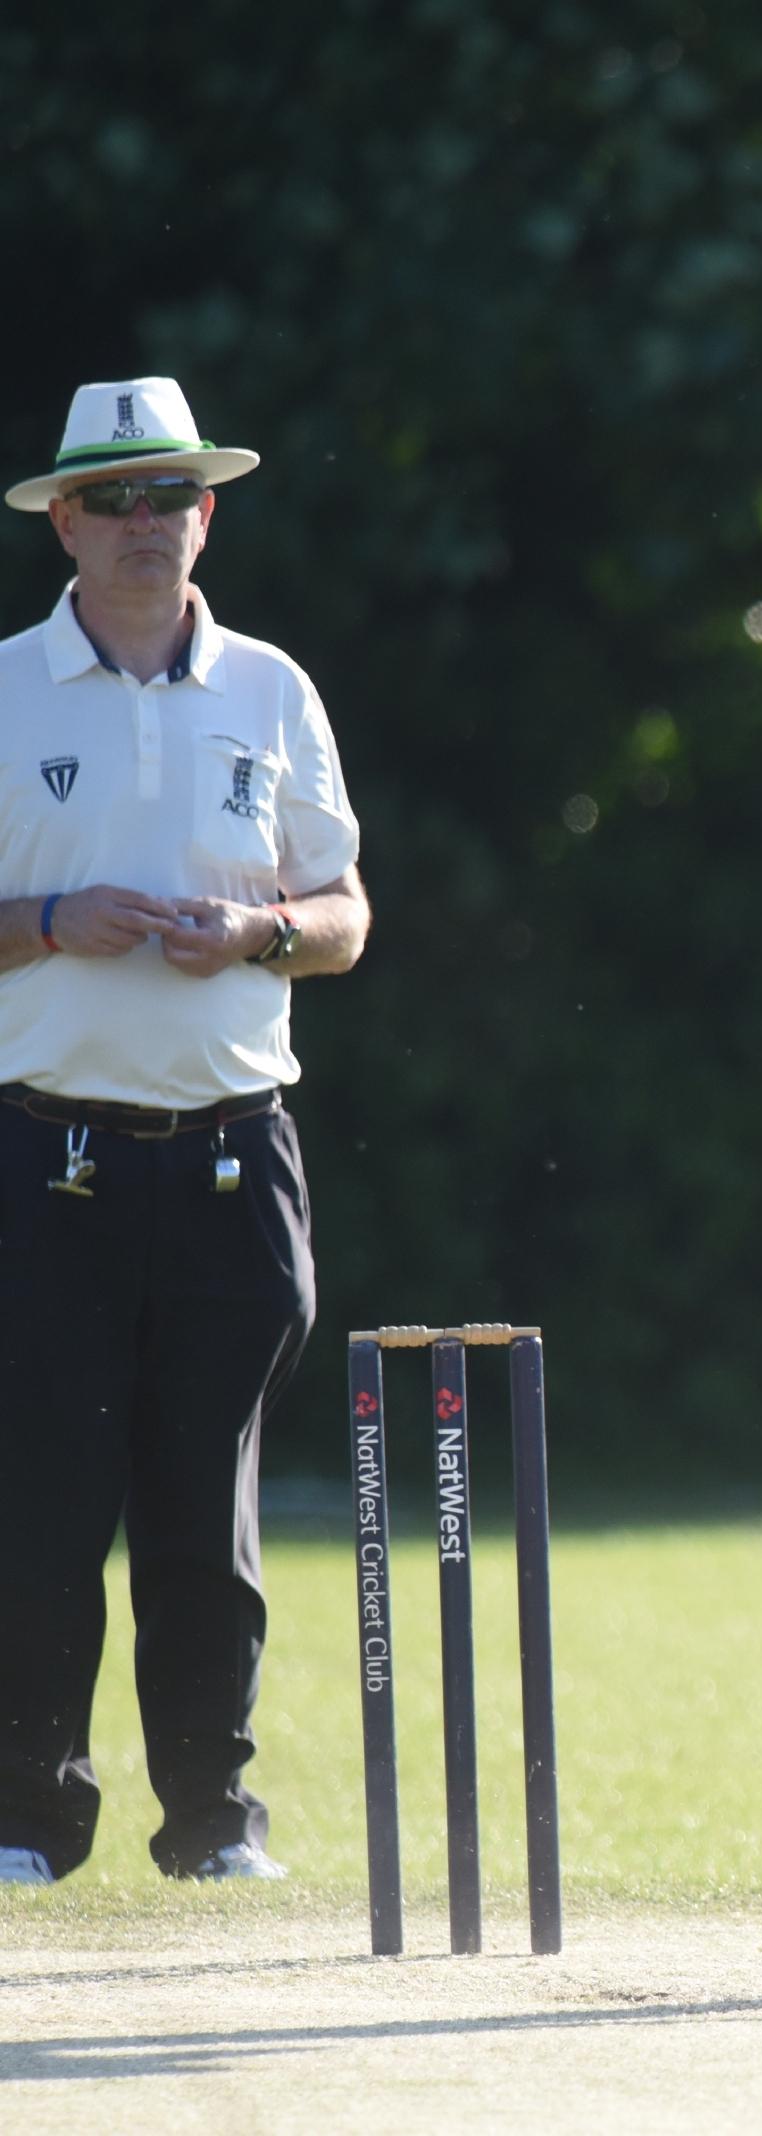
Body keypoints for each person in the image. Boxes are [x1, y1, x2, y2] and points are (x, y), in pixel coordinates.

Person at [0, 377, 369, 1888]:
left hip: (229, 1149)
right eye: (121, 499)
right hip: (48, 1150)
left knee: (201, 1510)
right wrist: (48, 920)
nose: (152, 523)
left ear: (206, 515)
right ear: (67, 522)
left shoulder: (272, 690)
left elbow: (344, 917)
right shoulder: (8, 688)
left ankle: (214, 1826)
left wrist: (259, 934)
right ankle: (26, 1818)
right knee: (40, 1501)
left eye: (176, 497)